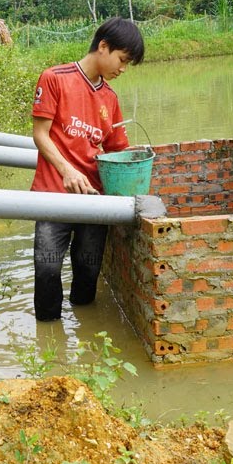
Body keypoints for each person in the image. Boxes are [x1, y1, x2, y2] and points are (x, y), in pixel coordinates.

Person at [30, 17, 145, 321]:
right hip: (54, 192)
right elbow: (40, 134)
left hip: (94, 196)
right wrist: (67, 170)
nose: (122, 69)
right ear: (103, 47)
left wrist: (140, 160)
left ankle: (85, 332)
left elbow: (117, 150)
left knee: (88, 268)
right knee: (47, 268)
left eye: (128, 64)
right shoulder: (54, 78)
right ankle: (48, 336)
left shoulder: (110, 98)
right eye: (122, 60)